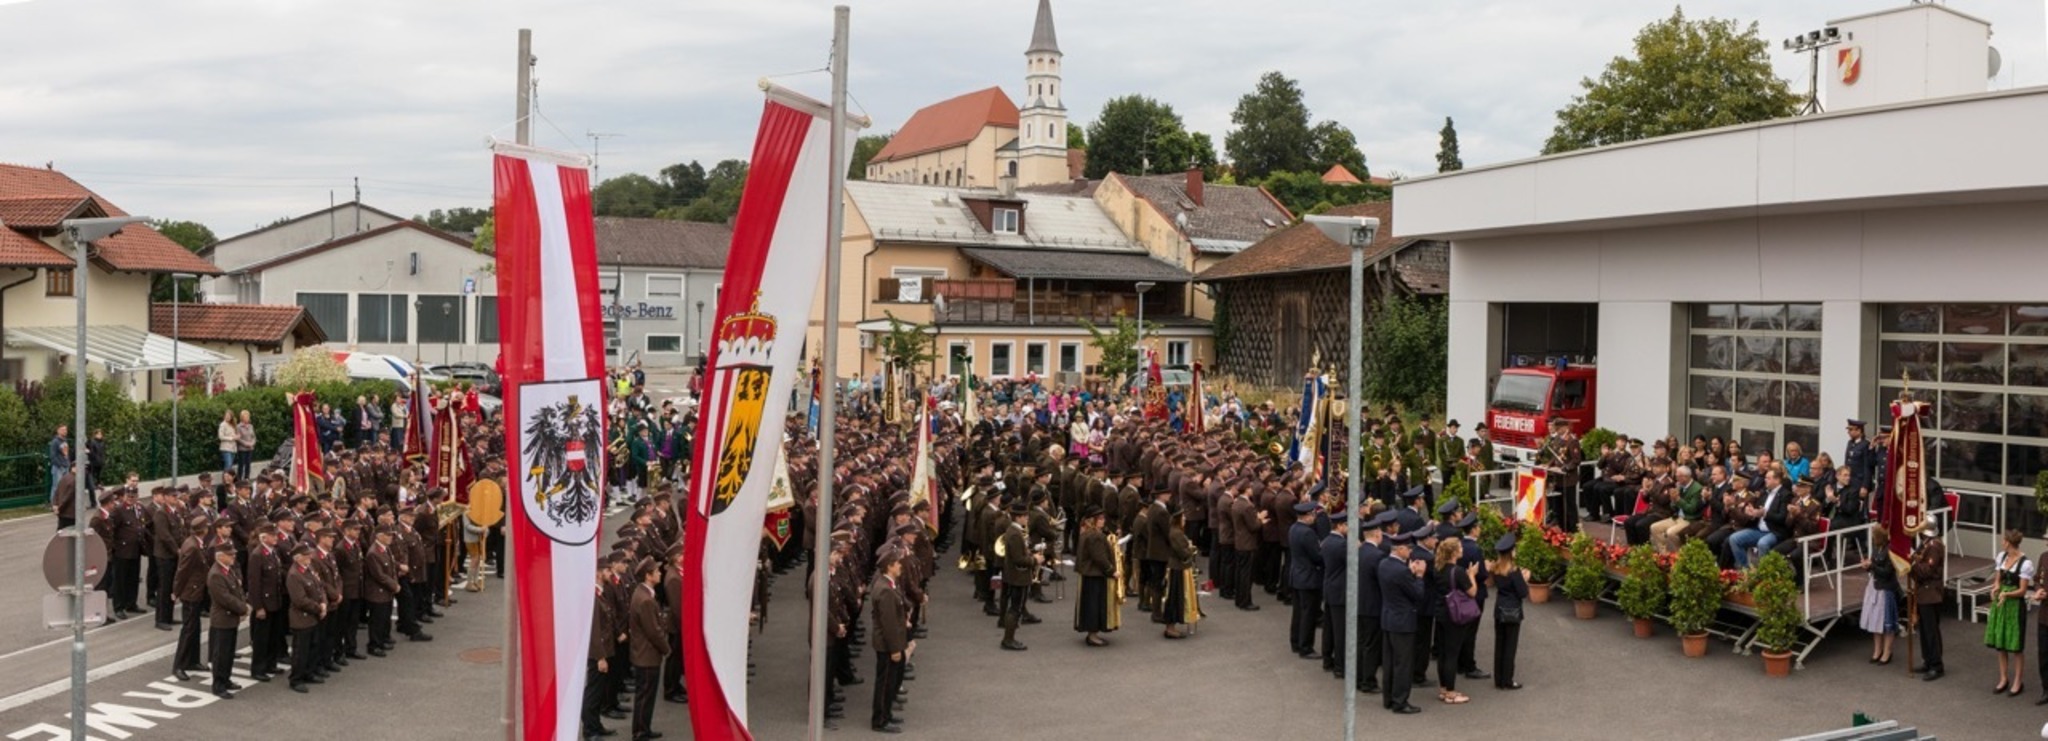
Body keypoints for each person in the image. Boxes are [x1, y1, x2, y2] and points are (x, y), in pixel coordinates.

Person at [1378, 531, 1425, 715]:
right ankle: (1400, 701)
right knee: (1403, 663)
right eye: (1408, 549)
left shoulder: (1383, 564)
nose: (1411, 553)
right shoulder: (1402, 571)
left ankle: (1388, 698)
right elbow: (1417, 595)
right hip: (1403, 621)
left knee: (1389, 662)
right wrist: (1418, 576)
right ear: (1400, 549)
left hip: (1388, 618)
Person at [1986, 529, 2031, 696]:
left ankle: (2018, 681)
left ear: (2008, 542)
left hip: (2014, 607)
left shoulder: (2025, 563)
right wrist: (1996, 588)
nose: (2001, 542)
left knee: (2016, 647)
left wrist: (2007, 593)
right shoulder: (2002, 557)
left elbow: (2022, 590)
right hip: (2001, 604)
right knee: (2001, 644)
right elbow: (1998, 580)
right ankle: (2003, 678)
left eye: (2003, 540)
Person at [868, 554, 910, 734]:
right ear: (889, 567)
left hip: (891, 642)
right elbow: (889, 623)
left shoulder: (889, 585)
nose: (900, 566)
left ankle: (886, 713)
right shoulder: (885, 589)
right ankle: (880, 720)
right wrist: (895, 649)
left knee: (889, 681)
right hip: (887, 645)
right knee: (885, 683)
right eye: (898, 564)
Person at [1433, 535, 1477, 705]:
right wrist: (1471, 575)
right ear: (1453, 552)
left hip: (1441, 612)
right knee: (1452, 653)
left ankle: (1444, 689)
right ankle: (1451, 692)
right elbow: (1472, 592)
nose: (1462, 549)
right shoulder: (1457, 571)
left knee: (1443, 652)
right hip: (1454, 615)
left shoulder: (1438, 568)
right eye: (1459, 547)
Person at [628, 559, 669, 741]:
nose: (660, 573)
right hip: (647, 655)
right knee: (645, 696)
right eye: (656, 571)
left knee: (645, 695)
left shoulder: (643, 594)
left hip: (643, 653)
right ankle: (640, 732)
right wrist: (667, 649)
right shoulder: (645, 600)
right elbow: (653, 632)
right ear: (648, 576)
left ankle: (643, 728)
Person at [205, 543, 249, 699]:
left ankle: (226, 679)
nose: (233, 557)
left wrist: (242, 604)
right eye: (230, 555)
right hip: (222, 619)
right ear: (220, 556)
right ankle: (218, 685)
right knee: (221, 654)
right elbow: (225, 598)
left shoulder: (228, 570)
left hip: (231, 618)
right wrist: (243, 608)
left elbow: (238, 590)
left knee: (229, 653)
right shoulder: (216, 574)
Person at [1072, 505, 1118, 647]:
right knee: (1094, 605)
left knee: (1091, 604)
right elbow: (1099, 557)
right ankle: (1092, 635)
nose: (1103, 521)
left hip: (1089, 574)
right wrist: (1111, 570)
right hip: (1094, 574)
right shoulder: (1095, 536)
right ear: (1093, 520)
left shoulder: (1088, 533)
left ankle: (1092, 634)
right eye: (1100, 519)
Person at [997, 501, 1038, 651]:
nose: (1027, 518)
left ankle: (1009, 637)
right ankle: (1008, 639)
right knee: (1015, 608)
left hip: (1015, 575)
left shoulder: (1015, 531)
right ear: (1018, 517)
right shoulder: (1014, 534)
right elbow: (1018, 559)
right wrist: (1034, 560)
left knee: (1015, 607)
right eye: (1025, 516)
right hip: (1018, 576)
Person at [1859, 525, 1902, 665]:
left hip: (1886, 589)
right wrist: (1867, 566)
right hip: (1875, 586)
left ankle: (1887, 651)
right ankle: (1877, 650)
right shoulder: (1876, 548)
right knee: (1874, 620)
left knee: (1887, 622)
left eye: (1874, 534)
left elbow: (1887, 572)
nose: (1872, 537)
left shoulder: (1891, 551)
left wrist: (1871, 566)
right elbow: (1874, 568)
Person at [1490, 532, 1528, 690]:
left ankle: (1498, 678)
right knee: (1510, 646)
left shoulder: (1496, 569)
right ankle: (1508, 679)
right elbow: (1523, 592)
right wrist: (1525, 579)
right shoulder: (1514, 571)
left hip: (1499, 609)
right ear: (1511, 551)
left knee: (1499, 645)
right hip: (1512, 610)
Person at [1287, 500, 1324, 658]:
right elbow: (1316, 556)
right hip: (1309, 577)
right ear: (1308, 516)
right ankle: (1306, 647)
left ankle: (1295, 642)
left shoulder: (1293, 528)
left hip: (1296, 575)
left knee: (1298, 612)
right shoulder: (1308, 533)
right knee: (1309, 613)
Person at [1354, 513, 1387, 695]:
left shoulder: (1359, 551)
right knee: (1372, 645)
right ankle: (1368, 680)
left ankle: (1359, 677)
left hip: (1359, 602)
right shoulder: (1378, 556)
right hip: (1373, 605)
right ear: (1376, 534)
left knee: (1362, 642)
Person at [1910, 529, 1946, 681]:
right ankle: (1928, 660)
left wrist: (1912, 563)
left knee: (1931, 631)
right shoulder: (1925, 544)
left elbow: (1927, 571)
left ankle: (1936, 665)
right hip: (1923, 592)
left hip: (1931, 593)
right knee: (1924, 630)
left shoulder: (1934, 546)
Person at [1160, 508, 1201, 640]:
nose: (1185, 520)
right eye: (1183, 517)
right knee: (1174, 597)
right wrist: (1190, 550)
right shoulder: (1176, 533)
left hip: (1178, 567)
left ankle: (1171, 626)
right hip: (1177, 568)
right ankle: (1170, 627)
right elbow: (1183, 552)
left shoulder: (1175, 532)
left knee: (1175, 597)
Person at [1319, 509, 1349, 677]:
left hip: (1330, 588)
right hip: (1340, 591)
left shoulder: (1327, 541)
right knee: (1340, 630)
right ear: (1340, 526)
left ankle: (1327, 659)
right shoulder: (1342, 544)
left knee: (1329, 628)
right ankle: (1340, 666)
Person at [236, 411, 256, 481]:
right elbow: (239, 438)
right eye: (245, 416)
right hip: (242, 449)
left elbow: (253, 437)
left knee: (248, 464)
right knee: (241, 465)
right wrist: (246, 444)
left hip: (250, 448)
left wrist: (252, 443)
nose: (247, 418)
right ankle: (239, 479)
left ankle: (247, 478)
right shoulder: (238, 426)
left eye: (248, 416)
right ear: (242, 417)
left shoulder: (251, 426)